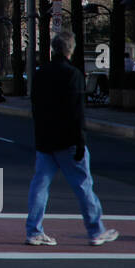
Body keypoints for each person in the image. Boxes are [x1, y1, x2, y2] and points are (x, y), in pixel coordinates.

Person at [26, 32, 119, 247]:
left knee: (40, 186)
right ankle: (95, 231)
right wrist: (80, 140)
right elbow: (77, 112)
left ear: (53, 48)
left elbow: (35, 106)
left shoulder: (40, 73)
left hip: (45, 139)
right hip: (68, 140)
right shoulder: (73, 74)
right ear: (71, 49)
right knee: (83, 186)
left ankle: (33, 231)